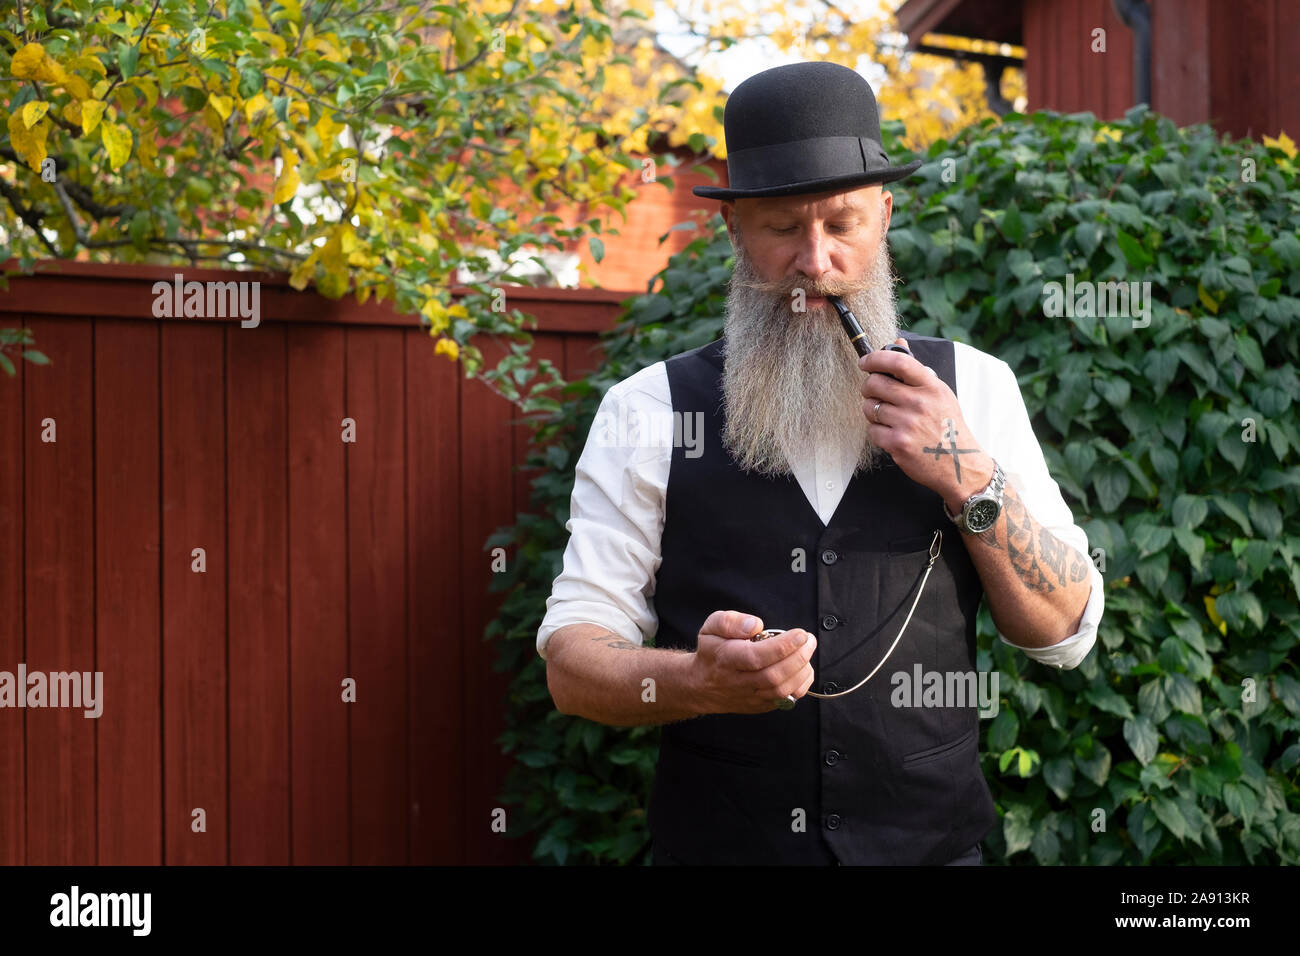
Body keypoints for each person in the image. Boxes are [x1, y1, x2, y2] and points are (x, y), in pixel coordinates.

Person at [536, 61, 1103, 865]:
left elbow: (1065, 634)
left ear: (885, 216)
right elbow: (572, 667)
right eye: (780, 228)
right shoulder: (647, 411)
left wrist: (968, 473)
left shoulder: (976, 386)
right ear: (735, 232)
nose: (815, 260)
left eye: (843, 224)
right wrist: (696, 683)